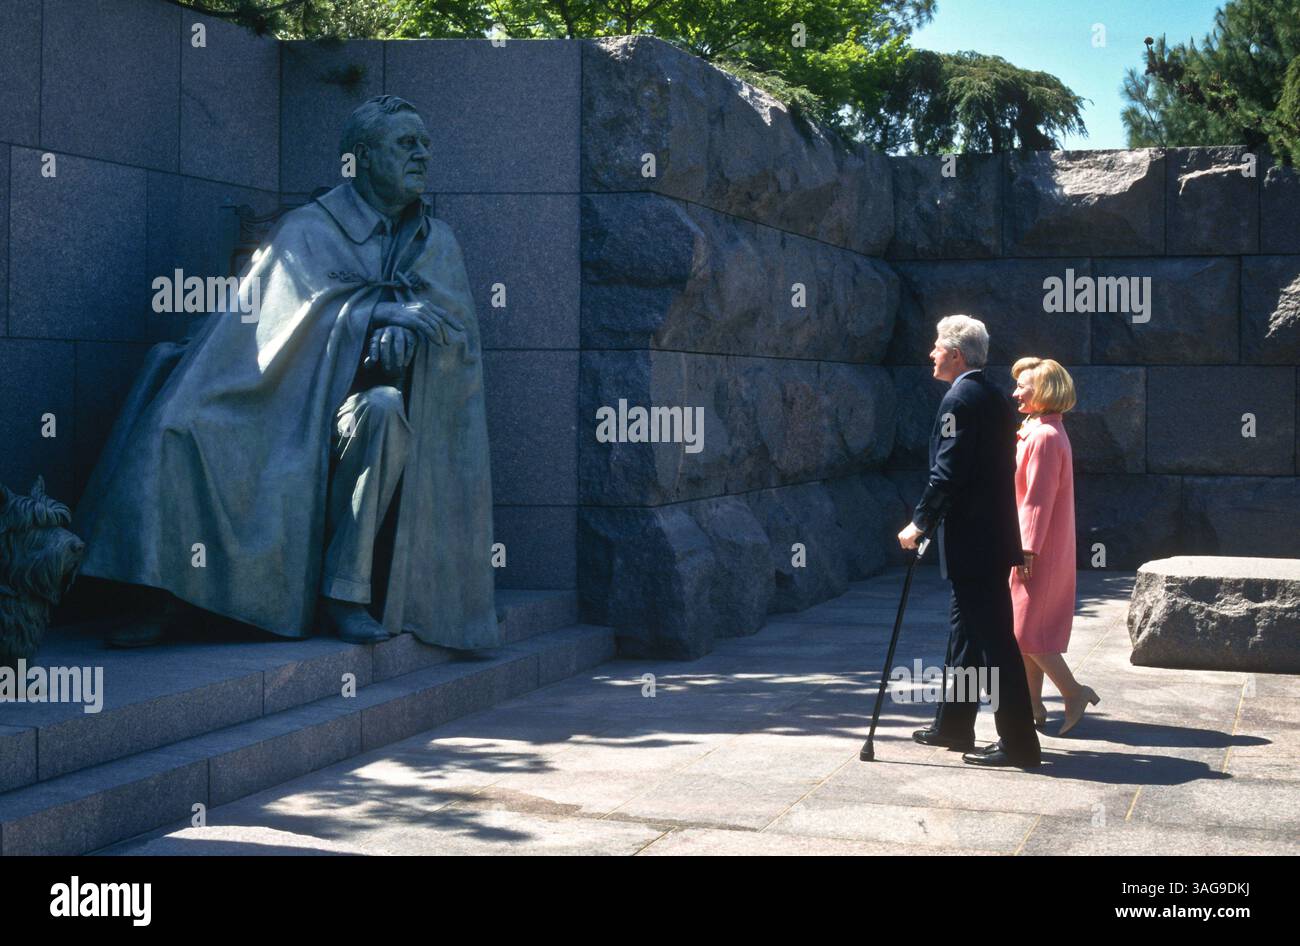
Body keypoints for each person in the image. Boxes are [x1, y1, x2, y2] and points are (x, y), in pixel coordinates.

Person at [73, 95, 499, 651]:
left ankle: (343, 595)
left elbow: (455, 335)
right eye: (405, 144)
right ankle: (164, 593)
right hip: (277, 401)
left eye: (425, 144)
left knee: (384, 412)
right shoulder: (305, 229)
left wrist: (407, 343)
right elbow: (268, 326)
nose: (421, 154)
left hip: (358, 408)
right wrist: (377, 313)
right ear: (362, 157)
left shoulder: (436, 242)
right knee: (176, 425)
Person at [898, 315, 1041, 767]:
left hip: (975, 541)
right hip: (989, 537)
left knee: (995, 640)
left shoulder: (959, 398)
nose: (931, 353)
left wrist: (919, 523)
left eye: (938, 347)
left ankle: (1019, 743)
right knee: (966, 634)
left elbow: (949, 472)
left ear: (956, 354)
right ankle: (955, 724)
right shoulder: (991, 394)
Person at [1008, 357, 1099, 736]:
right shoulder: (1040, 429)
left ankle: (1073, 692)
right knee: (1028, 631)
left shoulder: (1044, 436)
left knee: (1028, 633)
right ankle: (1032, 705)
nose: (1015, 392)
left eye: (1023, 386)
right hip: (1040, 544)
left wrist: (1027, 550)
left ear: (1044, 391)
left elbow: (1038, 500)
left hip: (1037, 549)